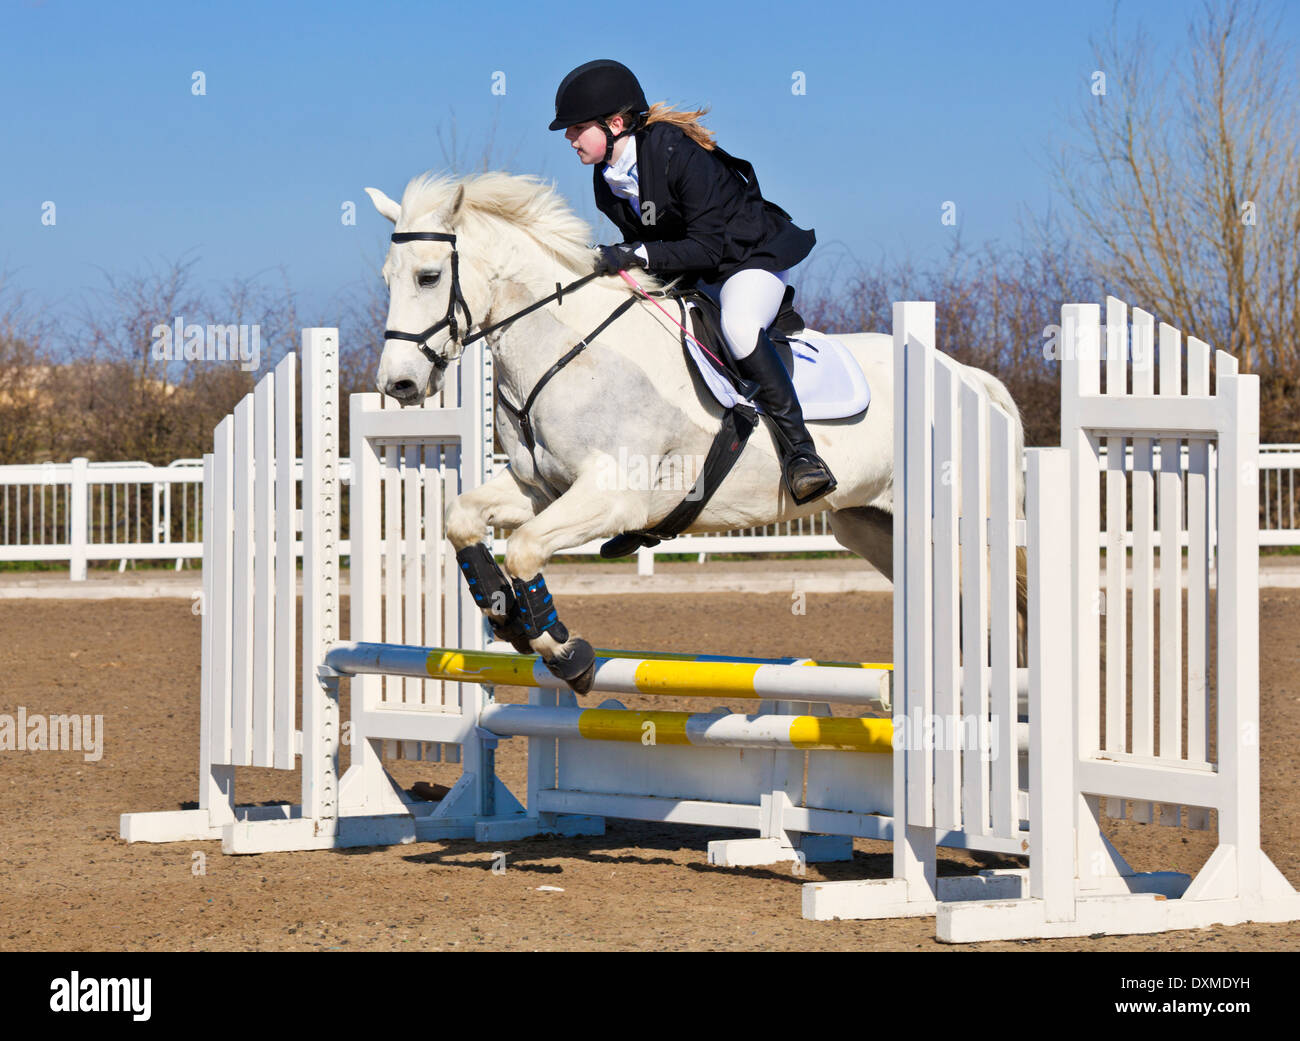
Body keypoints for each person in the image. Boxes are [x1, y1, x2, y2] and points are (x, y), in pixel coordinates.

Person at [549, 59, 837, 506]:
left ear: (616, 123)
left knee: (740, 328)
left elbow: (706, 247)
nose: (569, 137)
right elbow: (653, 245)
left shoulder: (673, 151)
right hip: (696, 272)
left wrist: (636, 254)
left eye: (576, 128)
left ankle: (803, 453)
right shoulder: (606, 181)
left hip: (747, 259)